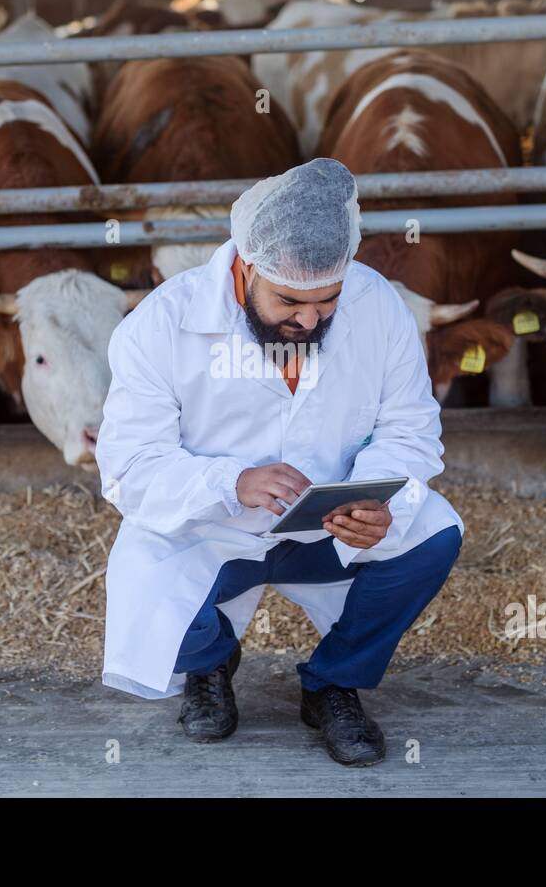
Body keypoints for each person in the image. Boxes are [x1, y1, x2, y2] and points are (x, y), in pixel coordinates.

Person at [96, 157, 463, 767]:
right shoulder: (160, 325)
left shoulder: (379, 306)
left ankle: (331, 686)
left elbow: (412, 429)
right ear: (245, 265)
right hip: (213, 529)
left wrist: (376, 501)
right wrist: (231, 481)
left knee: (434, 533)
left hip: (328, 527)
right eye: (289, 300)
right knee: (147, 586)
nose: (310, 319)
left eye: (329, 300)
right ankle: (210, 665)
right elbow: (130, 467)